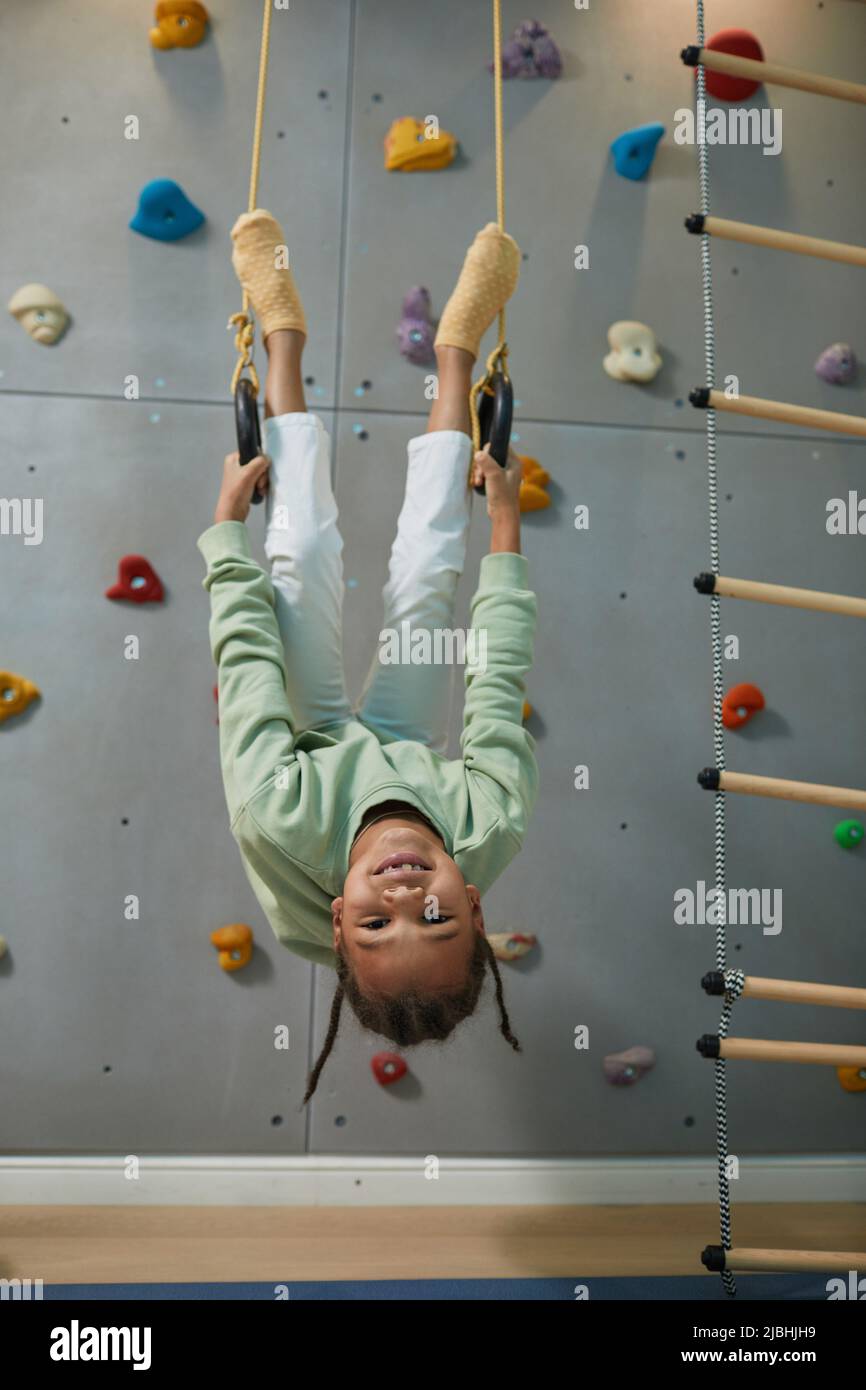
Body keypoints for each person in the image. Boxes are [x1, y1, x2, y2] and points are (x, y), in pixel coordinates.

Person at [198, 211, 538, 1101]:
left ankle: (279, 335)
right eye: (433, 916)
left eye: (379, 925)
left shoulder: (279, 817)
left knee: (300, 554)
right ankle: (458, 351)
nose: (402, 893)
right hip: (405, 757)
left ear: (340, 924)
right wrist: (504, 519)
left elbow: (247, 670)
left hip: (314, 757)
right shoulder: (489, 821)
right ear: (474, 903)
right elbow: (496, 674)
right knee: (432, 572)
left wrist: (227, 525)